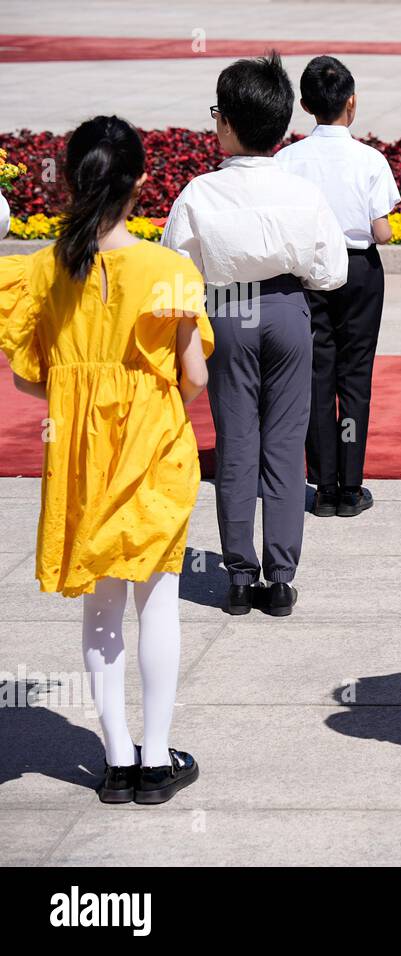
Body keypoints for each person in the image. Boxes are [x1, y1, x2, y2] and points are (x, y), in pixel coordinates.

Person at [0, 116, 212, 804]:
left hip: (79, 453)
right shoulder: (168, 270)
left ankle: (117, 758)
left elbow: (29, 376)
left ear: (70, 180)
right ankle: (156, 758)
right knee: (158, 599)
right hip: (153, 446)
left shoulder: (42, 271)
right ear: (141, 184)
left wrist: (79, 384)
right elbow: (195, 378)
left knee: (100, 604)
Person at [163, 52, 348, 618]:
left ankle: (240, 576)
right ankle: (282, 577)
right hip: (289, 311)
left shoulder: (199, 193)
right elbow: (331, 272)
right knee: (286, 447)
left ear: (227, 123)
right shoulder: (301, 191)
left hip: (226, 314)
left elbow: (176, 266)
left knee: (236, 443)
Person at [275, 55, 401, 519]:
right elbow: (381, 230)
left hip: (308, 271)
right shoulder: (370, 159)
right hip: (360, 271)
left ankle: (323, 487)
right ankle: (351, 487)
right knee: (355, 376)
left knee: (315, 375)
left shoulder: (288, 159)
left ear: (305, 105)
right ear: (352, 103)